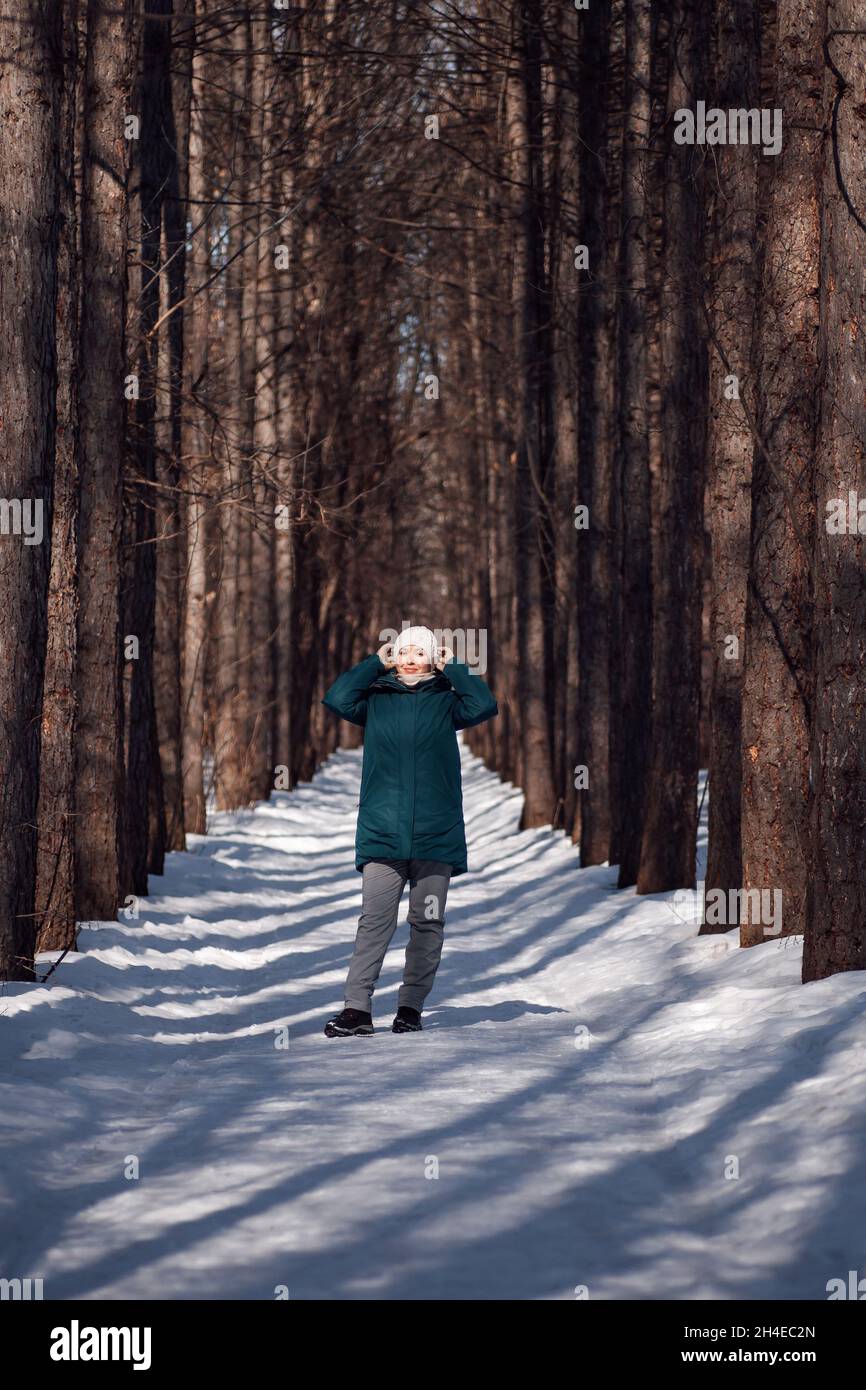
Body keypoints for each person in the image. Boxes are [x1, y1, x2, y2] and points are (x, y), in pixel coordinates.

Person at [320, 625, 498, 1036]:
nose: (411, 658)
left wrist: (454, 667)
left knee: (427, 922)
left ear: (433, 658)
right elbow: (338, 698)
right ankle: (357, 1010)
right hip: (382, 833)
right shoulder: (375, 699)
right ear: (394, 657)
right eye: (403, 652)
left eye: (421, 652)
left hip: (436, 834)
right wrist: (373, 664)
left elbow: (484, 705)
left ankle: (410, 1008)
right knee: (374, 922)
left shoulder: (447, 701)